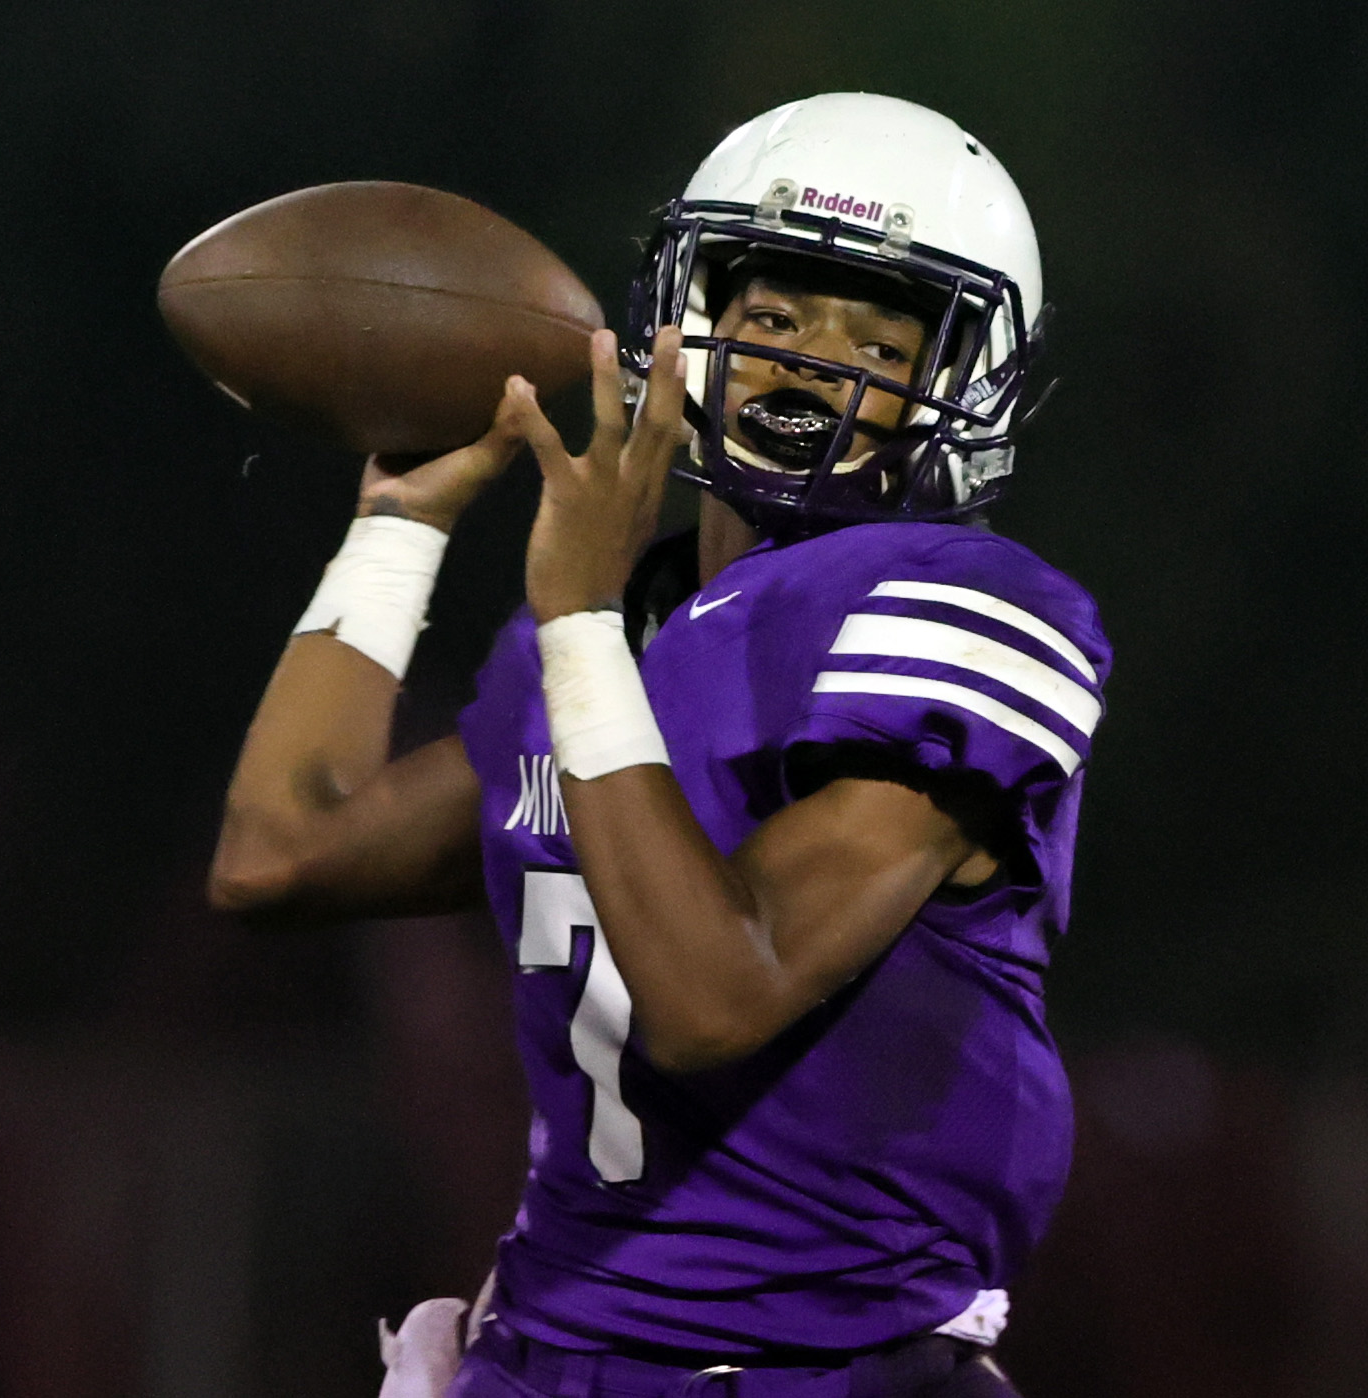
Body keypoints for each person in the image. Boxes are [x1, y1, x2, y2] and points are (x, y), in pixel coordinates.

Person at [209, 93, 1110, 1397]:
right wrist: (399, 525)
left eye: (877, 331)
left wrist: (575, 624)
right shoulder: (608, 642)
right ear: (684, 322)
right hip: (553, 1361)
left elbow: (713, 997)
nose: (811, 361)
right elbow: (280, 854)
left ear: (955, 379)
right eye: (775, 314)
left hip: (826, 1373)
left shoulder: (960, 609)